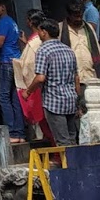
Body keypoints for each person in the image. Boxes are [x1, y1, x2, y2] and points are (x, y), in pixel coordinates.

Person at [32, 17, 80, 146]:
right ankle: (75, 164)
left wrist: (28, 91)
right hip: (70, 100)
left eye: (39, 31)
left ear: (44, 32)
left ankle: (68, 165)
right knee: (72, 138)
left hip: (54, 101)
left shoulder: (43, 50)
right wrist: (78, 99)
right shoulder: (68, 50)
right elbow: (76, 77)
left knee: (62, 141)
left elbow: (40, 77)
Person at [0, 0, 24, 144]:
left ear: (2, 7)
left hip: (6, 61)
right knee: (15, 98)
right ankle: (20, 133)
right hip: (16, 62)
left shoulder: (3, 22)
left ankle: (11, 131)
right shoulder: (12, 22)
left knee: (3, 97)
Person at [59, 0, 100, 108]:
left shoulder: (88, 28)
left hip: (91, 77)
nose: (79, 19)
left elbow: (97, 50)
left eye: (80, 16)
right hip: (70, 80)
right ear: (69, 15)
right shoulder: (60, 29)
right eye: (76, 16)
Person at [13, 9, 48, 143]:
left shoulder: (35, 42)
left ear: (30, 22)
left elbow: (30, 66)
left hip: (36, 84)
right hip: (40, 84)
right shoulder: (36, 40)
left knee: (44, 120)